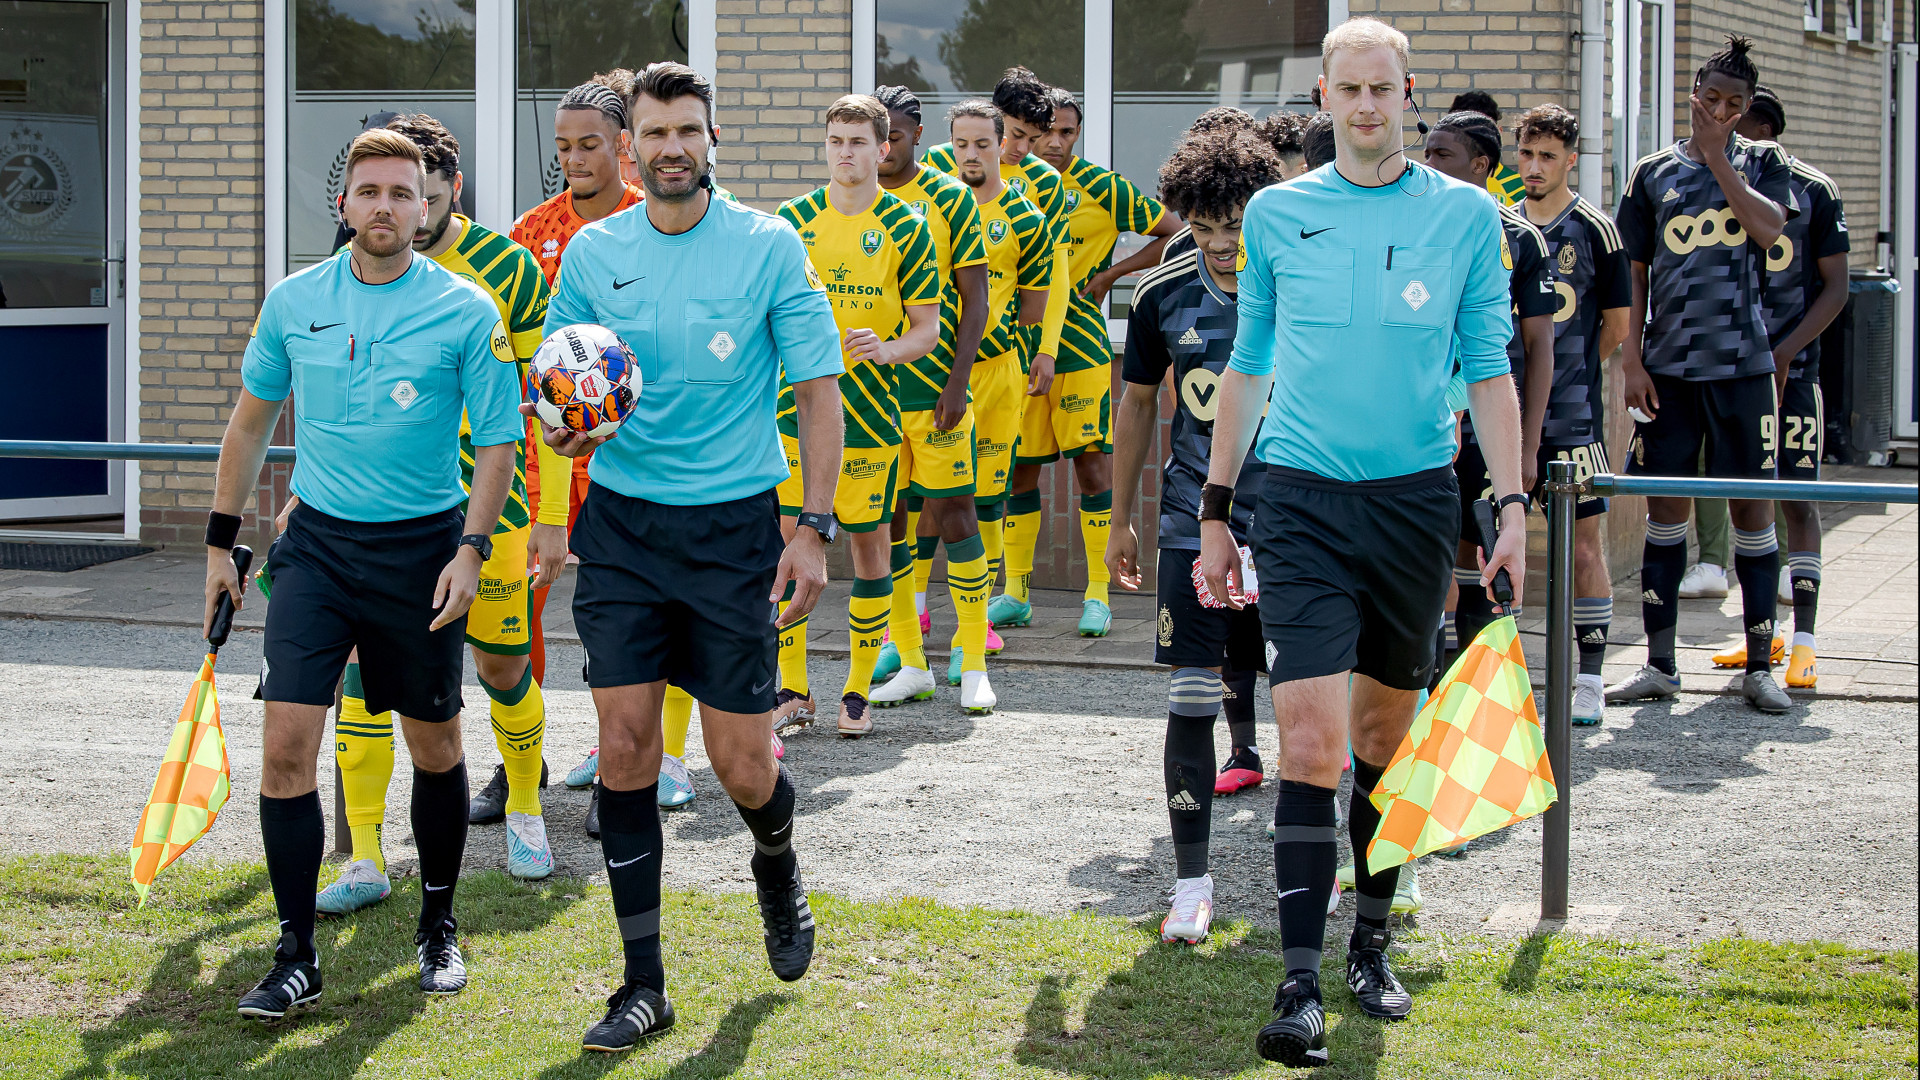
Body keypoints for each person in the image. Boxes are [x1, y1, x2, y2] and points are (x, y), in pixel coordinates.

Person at [1199, 18, 1525, 1065]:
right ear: (1325, 97)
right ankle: (1297, 985)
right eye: (1351, 91)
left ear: (1408, 93)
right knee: (1310, 743)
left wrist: (1509, 506)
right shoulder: (1279, 218)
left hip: (1416, 503)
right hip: (1298, 501)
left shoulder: (1471, 220)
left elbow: (1489, 371)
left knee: (1387, 740)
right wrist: (1215, 506)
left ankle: (1370, 947)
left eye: (1385, 90)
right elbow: (1247, 365)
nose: (1369, 108)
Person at [534, 62, 844, 1051]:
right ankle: (643, 984)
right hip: (623, 529)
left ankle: (777, 865)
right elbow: (557, 388)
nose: (673, 148)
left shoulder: (766, 246)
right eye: (656, 133)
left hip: (735, 533)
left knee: (740, 763)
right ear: (634, 148)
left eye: (689, 132)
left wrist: (814, 526)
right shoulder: (593, 252)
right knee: (624, 749)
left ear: (713, 140)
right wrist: (565, 433)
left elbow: (818, 390)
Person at [208, 128, 524, 1014]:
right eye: (368, 190)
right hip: (315, 549)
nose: (384, 206)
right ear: (343, 203)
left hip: (423, 553)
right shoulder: (293, 301)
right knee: (284, 751)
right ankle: (295, 953)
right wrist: (219, 543)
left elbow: (500, 441)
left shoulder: (467, 310)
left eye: (402, 193)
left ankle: (438, 927)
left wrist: (470, 549)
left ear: (429, 208)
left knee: (437, 746)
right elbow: (248, 425)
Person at [298, 113, 562, 919]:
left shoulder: (504, 270)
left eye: (426, 195)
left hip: (494, 514)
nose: (410, 210)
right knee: (362, 683)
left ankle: (523, 806)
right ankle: (369, 853)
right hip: (377, 522)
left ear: (444, 193)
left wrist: (549, 518)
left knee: (500, 668)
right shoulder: (345, 273)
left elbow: (538, 400)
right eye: (389, 194)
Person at [1108, 127, 1285, 944]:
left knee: (1321, 706)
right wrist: (1122, 520)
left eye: (1236, 226)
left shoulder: (1302, 280)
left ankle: (1345, 864)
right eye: (1204, 227)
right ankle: (1190, 886)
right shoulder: (1160, 294)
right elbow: (1139, 405)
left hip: (1297, 522)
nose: (1220, 245)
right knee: (1188, 699)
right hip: (1191, 523)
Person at [1605, 35, 1798, 714]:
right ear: (1694, 96)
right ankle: (1659, 664)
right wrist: (1631, 359)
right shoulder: (1652, 172)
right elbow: (1634, 269)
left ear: (1747, 109)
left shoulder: (1764, 163)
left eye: (1734, 104)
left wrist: (1720, 161)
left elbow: (1773, 231)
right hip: (1670, 370)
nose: (1721, 111)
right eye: (1711, 99)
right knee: (1666, 511)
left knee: (1752, 510)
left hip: (1743, 366)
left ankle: (1759, 663)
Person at [774, 94, 943, 733]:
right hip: (796, 408)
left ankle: (855, 691)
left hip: (871, 412)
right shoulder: (792, 222)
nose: (846, 152)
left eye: (858, 142)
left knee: (872, 546)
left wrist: (887, 347)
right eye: (836, 141)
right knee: (790, 542)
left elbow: (927, 330)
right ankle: (792, 690)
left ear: (884, 149)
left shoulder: (908, 225)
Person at [1686, 86, 1847, 688]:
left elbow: (1836, 289)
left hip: (1792, 373)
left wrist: (1784, 352)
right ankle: (1765, 637)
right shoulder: (1700, 180)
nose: (1729, 135)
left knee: (1797, 498)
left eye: (1741, 127)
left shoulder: (1811, 189)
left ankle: (1804, 638)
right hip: (1731, 371)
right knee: (1744, 500)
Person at [1003, 87, 1178, 639]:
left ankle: (1098, 595)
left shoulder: (1101, 186)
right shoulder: (1006, 178)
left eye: (1067, 133)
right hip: (1014, 349)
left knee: (1091, 466)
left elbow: (1171, 232)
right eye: (1046, 131)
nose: (1055, 143)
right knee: (1019, 469)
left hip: (1077, 346)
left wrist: (1110, 276)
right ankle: (1016, 592)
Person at [859, 85, 1001, 706]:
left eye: (894, 132)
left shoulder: (947, 197)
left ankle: (974, 665)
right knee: (889, 523)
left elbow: (976, 302)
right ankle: (912, 664)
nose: (884, 144)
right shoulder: (848, 202)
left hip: (935, 389)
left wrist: (958, 381)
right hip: (869, 399)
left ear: (918, 134)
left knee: (956, 514)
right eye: (874, 133)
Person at [923, 68, 1071, 625]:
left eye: (1030, 140)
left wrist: (1045, 346)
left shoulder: (1041, 189)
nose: (1019, 149)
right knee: (926, 489)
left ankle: (987, 609)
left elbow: (1048, 278)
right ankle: (911, 614)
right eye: (1010, 134)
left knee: (989, 487)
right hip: (931, 360)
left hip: (999, 358)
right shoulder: (937, 170)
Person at [1511, 102, 1634, 723]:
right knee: (1493, 543)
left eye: (1548, 157)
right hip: (1508, 414)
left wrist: (1571, 374)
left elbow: (1615, 325)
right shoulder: (1502, 225)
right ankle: (1502, 682)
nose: (1534, 168)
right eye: (1527, 154)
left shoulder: (1596, 229)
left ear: (1571, 159)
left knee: (1584, 546)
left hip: (1574, 420)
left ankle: (1589, 678)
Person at [1421, 110, 1556, 662]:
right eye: (1425, 153)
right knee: (1429, 566)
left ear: (1481, 165)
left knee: (1484, 565)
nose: (1426, 165)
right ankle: (1427, 700)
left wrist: (1525, 446)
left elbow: (1537, 347)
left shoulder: (1520, 238)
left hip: (1486, 425)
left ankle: (1477, 704)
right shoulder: (1416, 226)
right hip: (1425, 428)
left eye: (1441, 155)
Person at [1448, 90, 1525, 205]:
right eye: (1461, 133)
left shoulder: (1517, 187)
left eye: (1480, 132)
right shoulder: (1435, 184)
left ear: (1498, 133)